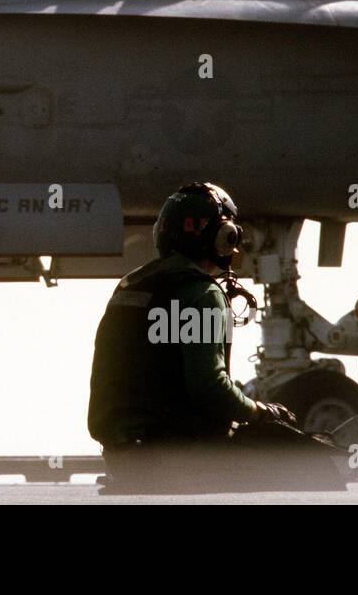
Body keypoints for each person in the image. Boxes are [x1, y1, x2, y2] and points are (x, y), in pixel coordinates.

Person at [87, 182, 296, 493]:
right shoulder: (202, 293)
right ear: (225, 237)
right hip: (178, 458)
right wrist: (261, 412)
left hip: (124, 456)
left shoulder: (132, 285)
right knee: (299, 464)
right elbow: (209, 386)